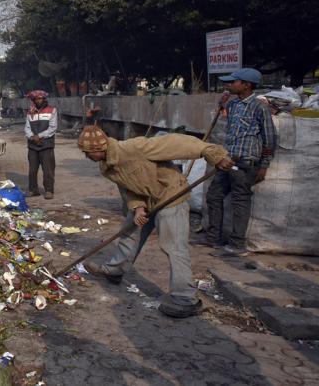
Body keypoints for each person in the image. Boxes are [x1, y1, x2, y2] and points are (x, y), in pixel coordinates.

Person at [77, 124, 235, 318]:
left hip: (170, 196)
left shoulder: (134, 148)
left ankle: (186, 298)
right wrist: (138, 207)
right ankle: (114, 271)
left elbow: (176, 142)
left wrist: (213, 153)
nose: (86, 156)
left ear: (98, 149)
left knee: (173, 247)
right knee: (130, 233)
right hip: (147, 201)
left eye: (87, 152)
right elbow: (127, 188)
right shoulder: (106, 166)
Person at [200, 68, 277, 257]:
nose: (229, 85)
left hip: (246, 162)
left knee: (240, 201)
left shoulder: (260, 107)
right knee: (214, 195)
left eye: (233, 82)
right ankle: (214, 238)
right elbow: (223, 113)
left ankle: (236, 245)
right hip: (228, 160)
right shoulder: (233, 104)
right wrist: (222, 103)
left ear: (246, 85)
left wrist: (264, 165)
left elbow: (270, 140)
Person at [24, 90, 57, 199]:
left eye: (40, 98)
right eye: (36, 99)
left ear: (44, 99)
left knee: (48, 170)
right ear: (33, 100)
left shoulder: (52, 110)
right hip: (32, 145)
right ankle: (33, 190)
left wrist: (39, 136)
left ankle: (49, 191)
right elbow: (27, 128)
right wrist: (32, 137)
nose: (38, 101)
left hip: (46, 145)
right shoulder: (30, 112)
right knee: (32, 170)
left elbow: (52, 128)